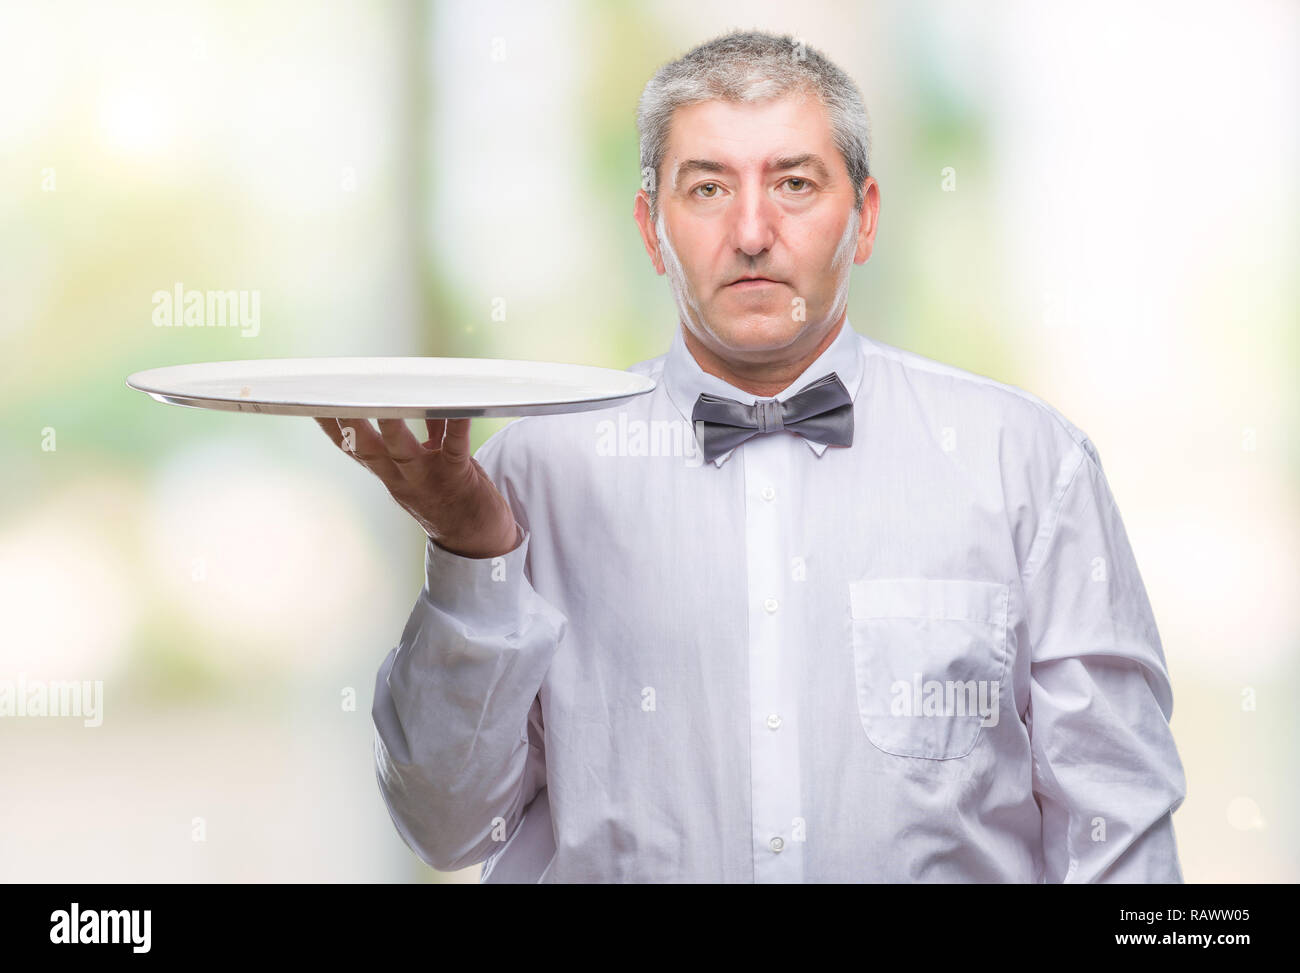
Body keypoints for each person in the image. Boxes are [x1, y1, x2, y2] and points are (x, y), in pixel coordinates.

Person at [316, 29, 1186, 883]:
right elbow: (444, 825)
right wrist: (472, 552)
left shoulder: (1028, 462)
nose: (753, 230)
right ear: (652, 229)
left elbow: (1120, 836)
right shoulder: (528, 475)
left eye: (796, 183)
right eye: (706, 188)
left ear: (867, 217)